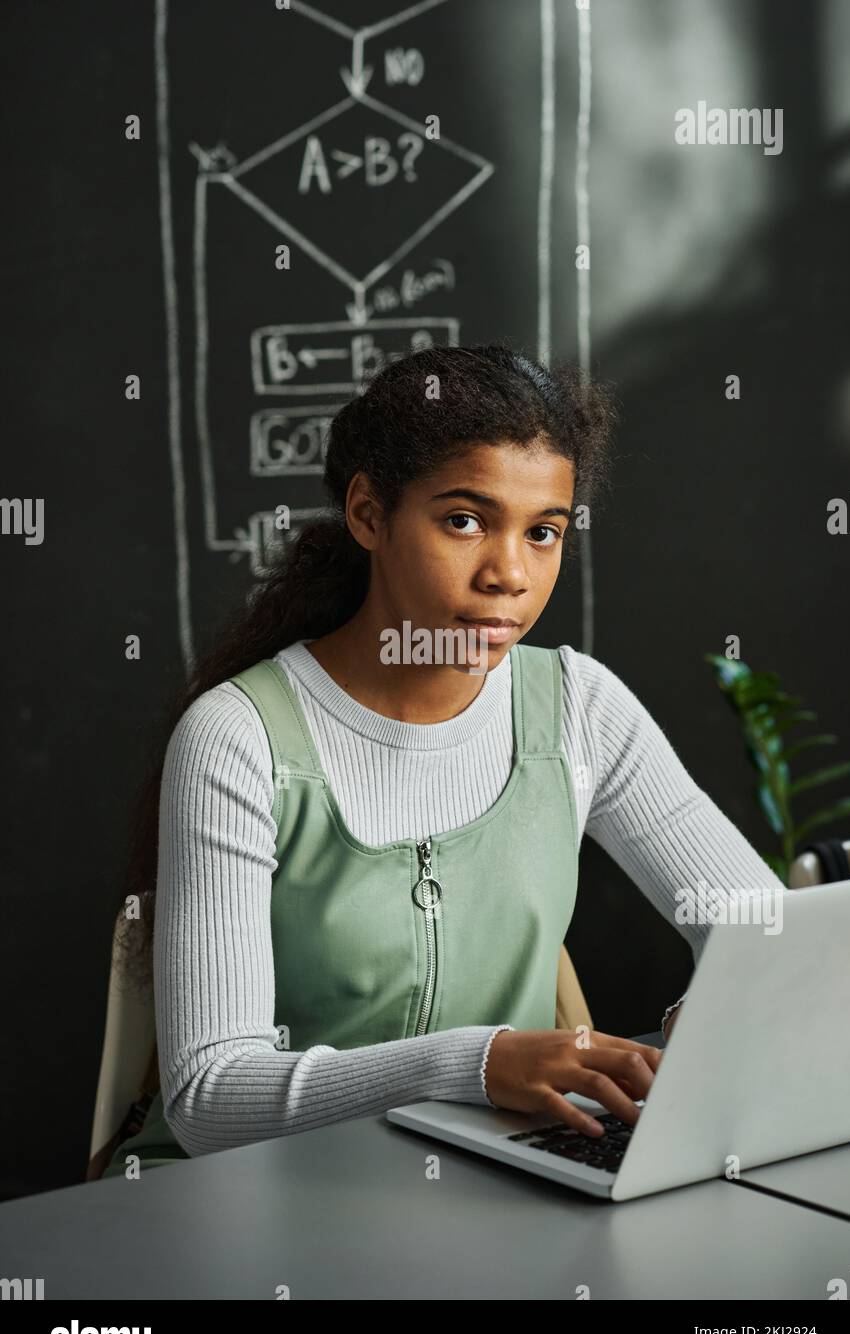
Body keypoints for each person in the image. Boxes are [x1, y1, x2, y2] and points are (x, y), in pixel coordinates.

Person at [100, 342, 781, 1178]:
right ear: (367, 514)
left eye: (543, 533)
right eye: (464, 520)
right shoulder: (237, 737)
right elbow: (210, 1098)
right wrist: (475, 1064)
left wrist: (710, 1014)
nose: (509, 575)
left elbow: (762, 929)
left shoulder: (578, 708)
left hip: (489, 1182)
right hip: (256, 1197)